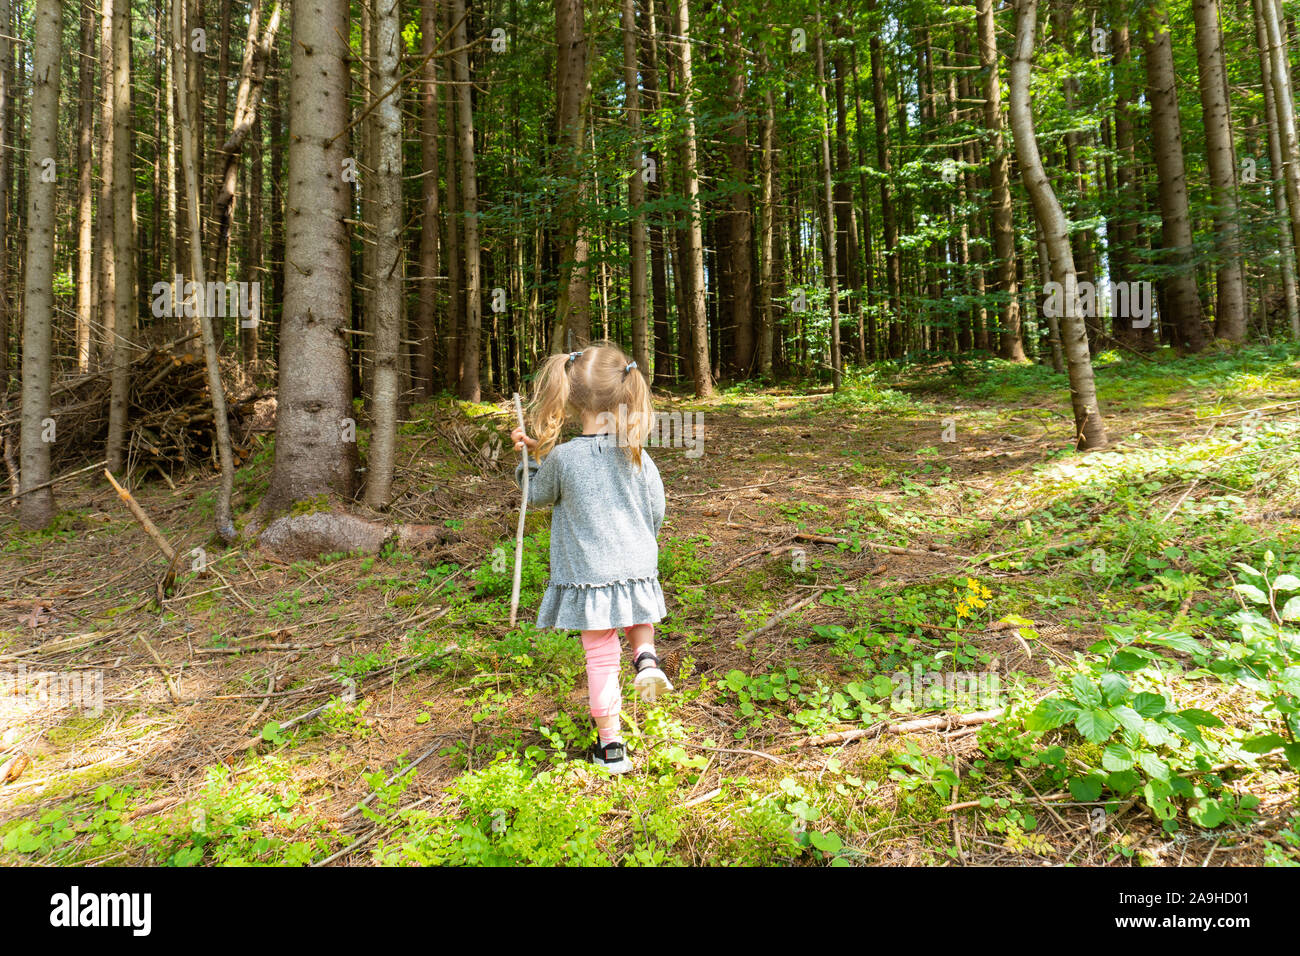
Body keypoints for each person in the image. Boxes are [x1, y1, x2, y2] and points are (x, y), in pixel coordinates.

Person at [510, 342, 671, 774]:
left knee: (599, 656)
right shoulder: (637, 453)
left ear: (570, 397)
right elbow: (657, 508)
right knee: (639, 615)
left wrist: (529, 459)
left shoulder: (563, 459)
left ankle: (612, 746)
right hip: (636, 561)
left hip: (589, 574)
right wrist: (644, 541)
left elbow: (536, 494)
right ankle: (646, 659)